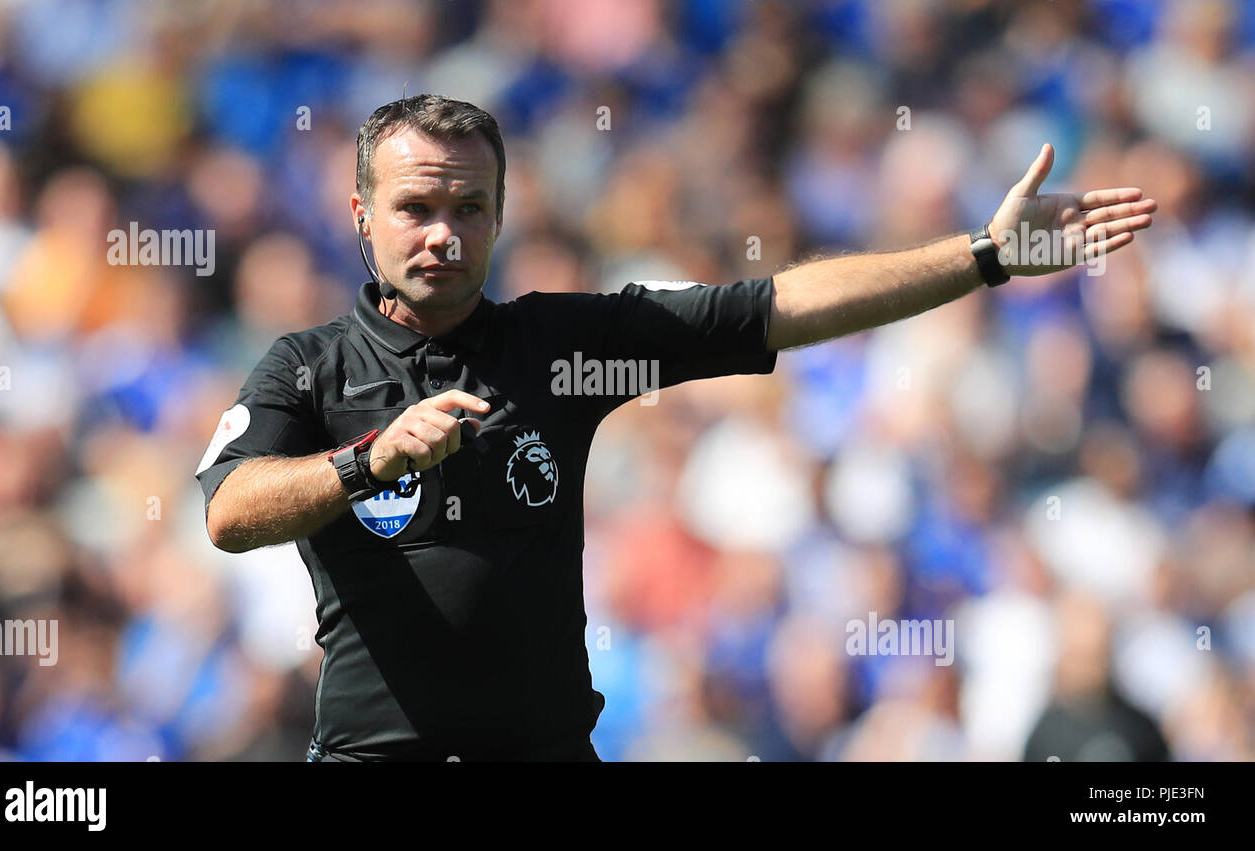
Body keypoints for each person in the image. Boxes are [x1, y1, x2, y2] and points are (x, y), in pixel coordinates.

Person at [195, 94, 1155, 762]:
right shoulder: (305, 367)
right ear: (362, 216)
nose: (443, 232)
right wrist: (370, 457)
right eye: (416, 207)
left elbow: (774, 306)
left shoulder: (561, 348)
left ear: (500, 215)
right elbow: (231, 510)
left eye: (468, 207)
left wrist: (982, 256)